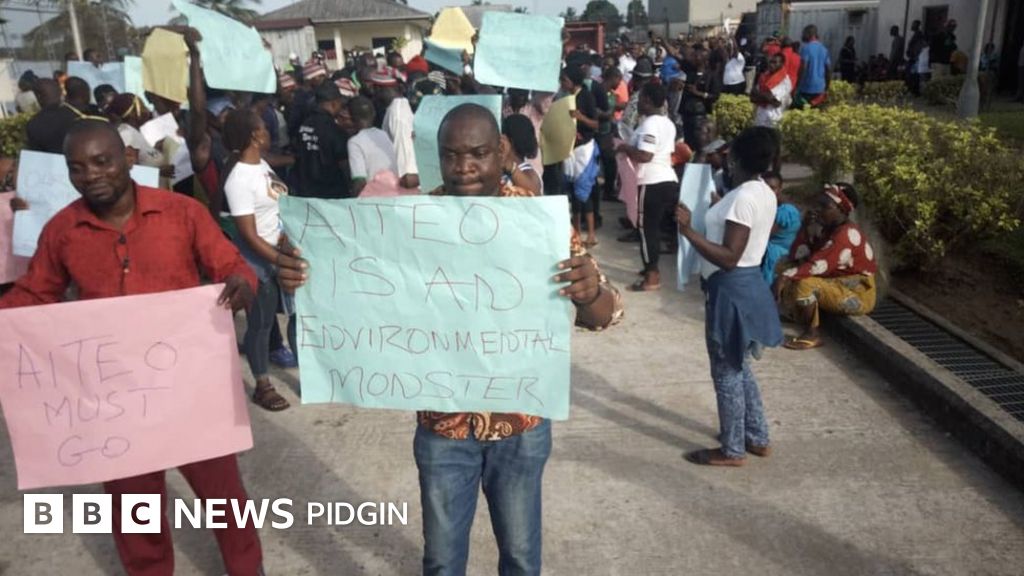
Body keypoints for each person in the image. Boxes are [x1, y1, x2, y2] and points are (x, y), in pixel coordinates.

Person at [278, 102, 621, 576]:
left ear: (501, 152)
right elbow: (354, 281)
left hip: (520, 425)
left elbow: (606, 314)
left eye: (477, 153)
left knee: (521, 559)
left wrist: (589, 292)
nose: (463, 168)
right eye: (451, 155)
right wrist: (306, 271)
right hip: (444, 428)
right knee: (441, 563)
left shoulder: (538, 222)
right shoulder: (413, 221)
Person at [0, 118, 266, 575]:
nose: (91, 175)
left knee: (225, 498)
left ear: (127, 159)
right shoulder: (63, 230)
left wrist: (242, 281)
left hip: (190, 392)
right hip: (114, 404)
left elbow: (229, 262)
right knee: (134, 509)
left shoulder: (182, 212)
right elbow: (35, 293)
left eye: (102, 162)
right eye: (77, 168)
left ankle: (248, 570)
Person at [675, 126, 783, 466]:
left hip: (730, 287)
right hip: (748, 285)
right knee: (740, 365)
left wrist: (688, 230)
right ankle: (757, 435)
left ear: (736, 158)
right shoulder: (760, 191)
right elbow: (740, 226)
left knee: (726, 369)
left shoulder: (744, 197)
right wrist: (720, 207)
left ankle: (733, 448)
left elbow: (729, 255)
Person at [222, 108, 295, 411]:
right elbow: (249, 235)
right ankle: (262, 384)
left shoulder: (261, 165)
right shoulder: (237, 179)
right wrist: (279, 260)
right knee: (261, 323)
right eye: (264, 128)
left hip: (282, 252)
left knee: (296, 317)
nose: (269, 132)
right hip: (260, 261)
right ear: (255, 135)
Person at [775, 183, 878, 350]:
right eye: (819, 204)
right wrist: (806, 228)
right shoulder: (827, 228)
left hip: (858, 292)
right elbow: (799, 254)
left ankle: (812, 334)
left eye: (825, 206)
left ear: (841, 209)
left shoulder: (845, 235)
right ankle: (796, 312)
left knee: (804, 283)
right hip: (837, 282)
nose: (819, 209)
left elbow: (819, 265)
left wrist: (786, 277)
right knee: (786, 265)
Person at [617, 83, 679, 292]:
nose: (638, 103)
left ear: (649, 101)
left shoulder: (650, 124)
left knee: (646, 230)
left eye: (641, 98)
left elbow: (645, 155)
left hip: (652, 181)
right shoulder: (667, 123)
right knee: (653, 228)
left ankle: (652, 276)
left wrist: (624, 147)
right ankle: (650, 268)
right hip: (667, 178)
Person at [561, 66, 601, 247]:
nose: (562, 83)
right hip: (571, 149)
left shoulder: (586, 97)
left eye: (565, 80)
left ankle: (591, 234)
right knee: (574, 192)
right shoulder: (565, 97)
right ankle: (575, 231)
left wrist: (580, 117)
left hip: (585, 150)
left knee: (585, 192)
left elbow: (595, 124)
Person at [295, 82, 351, 199]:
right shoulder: (335, 130)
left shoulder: (303, 125)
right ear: (334, 103)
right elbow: (344, 164)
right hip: (331, 194)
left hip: (306, 193)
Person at [346, 96, 398, 195]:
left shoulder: (354, 142)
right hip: (394, 194)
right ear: (374, 114)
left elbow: (359, 181)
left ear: (351, 118)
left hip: (374, 200)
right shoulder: (384, 135)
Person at [377, 73, 420, 189]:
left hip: (406, 185)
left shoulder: (397, 113)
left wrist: (405, 178)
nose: (375, 93)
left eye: (379, 89)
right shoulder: (393, 109)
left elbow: (403, 152)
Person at [760, 171, 801, 286]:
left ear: (780, 189)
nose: (768, 192)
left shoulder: (784, 212)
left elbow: (763, 235)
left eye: (772, 188)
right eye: (765, 188)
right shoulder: (775, 208)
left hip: (776, 258)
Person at [25, 78, 84, 154]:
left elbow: (37, 156)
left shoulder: (33, 124)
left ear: (38, 96)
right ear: (60, 93)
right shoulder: (77, 115)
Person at [680, 47, 719, 150]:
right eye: (694, 55)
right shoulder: (690, 71)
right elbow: (676, 55)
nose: (694, 57)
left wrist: (699, 93)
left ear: (704, 59)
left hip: (699, 113)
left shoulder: (711, 75)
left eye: (697, 56)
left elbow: (715, 95)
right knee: (687, 142)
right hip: (686, 112)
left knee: (698, 142)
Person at [501, 113, 543, 195]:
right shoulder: (501, 169)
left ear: (510, 141)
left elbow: (534, 193)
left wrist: (510, 166)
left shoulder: (528, 173)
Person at [751, 52, 792, 128]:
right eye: (770, 62)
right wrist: (765, 96)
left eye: (775, 62)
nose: (771, 64)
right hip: (759, 117)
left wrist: (760, 95)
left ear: (781, 64)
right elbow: (752, 96)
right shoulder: (764, 76)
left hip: (773, 118)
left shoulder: (785, 80)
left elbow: (775, 102)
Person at [796, 25, 832, 108]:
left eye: (804, 33)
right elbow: (828, 70)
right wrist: (827, 86)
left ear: (809, 34)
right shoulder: (824, 49)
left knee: (803, 114)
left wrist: (797, 85)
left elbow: (803, 68)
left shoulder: (806, 48)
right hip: (820, 88)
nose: (802, 35)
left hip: (806, 88)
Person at [906, 20, 926, 95]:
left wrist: (914, 55)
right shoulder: (916, 35)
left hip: (915, 58)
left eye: (913, 24)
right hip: (914, 58)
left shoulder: (918, 35)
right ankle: (914, 90)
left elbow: (918, 46)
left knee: (913, 75)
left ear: (917, 26)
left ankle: (914, 91)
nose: (912, 26)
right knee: (912, 74)